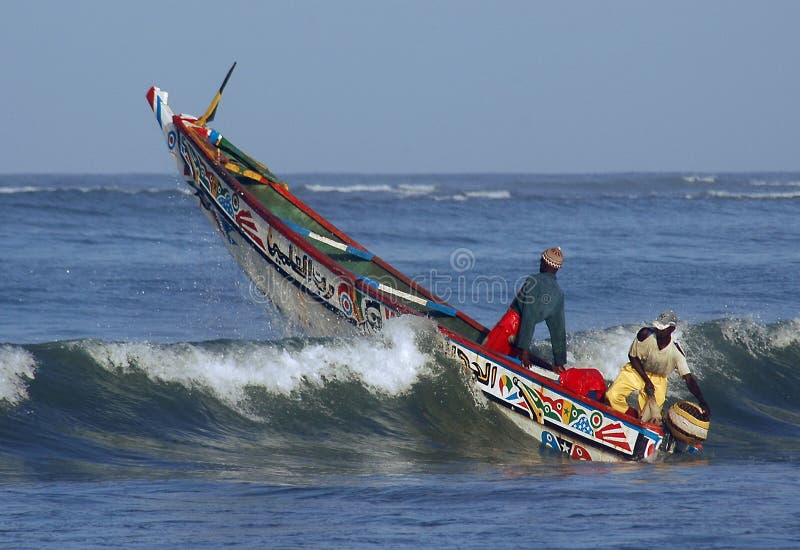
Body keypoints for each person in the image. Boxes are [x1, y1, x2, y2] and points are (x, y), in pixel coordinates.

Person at [606, 310, 710, 419]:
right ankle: (630, 416)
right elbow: (632, 356)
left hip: (658, 379)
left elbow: (688, 379)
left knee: (651, 416)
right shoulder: (644, 335)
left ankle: (641, 421)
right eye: (657, 326)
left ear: (672, 329)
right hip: (636, 370)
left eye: (662, 328)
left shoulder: (676, 352)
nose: (658, 330)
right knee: (612, 396)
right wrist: (646, 380)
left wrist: (702, 401)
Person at [483, 247, 566, 373]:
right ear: (557, 268)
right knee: (504, 366)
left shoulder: (534, 281)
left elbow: (528, 316)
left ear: (543, 262)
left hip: (509, 327)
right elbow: (558, 330)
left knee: (486, 356)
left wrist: (525, 349)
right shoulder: (559, 294)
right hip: (522, 335)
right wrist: (559, 362)